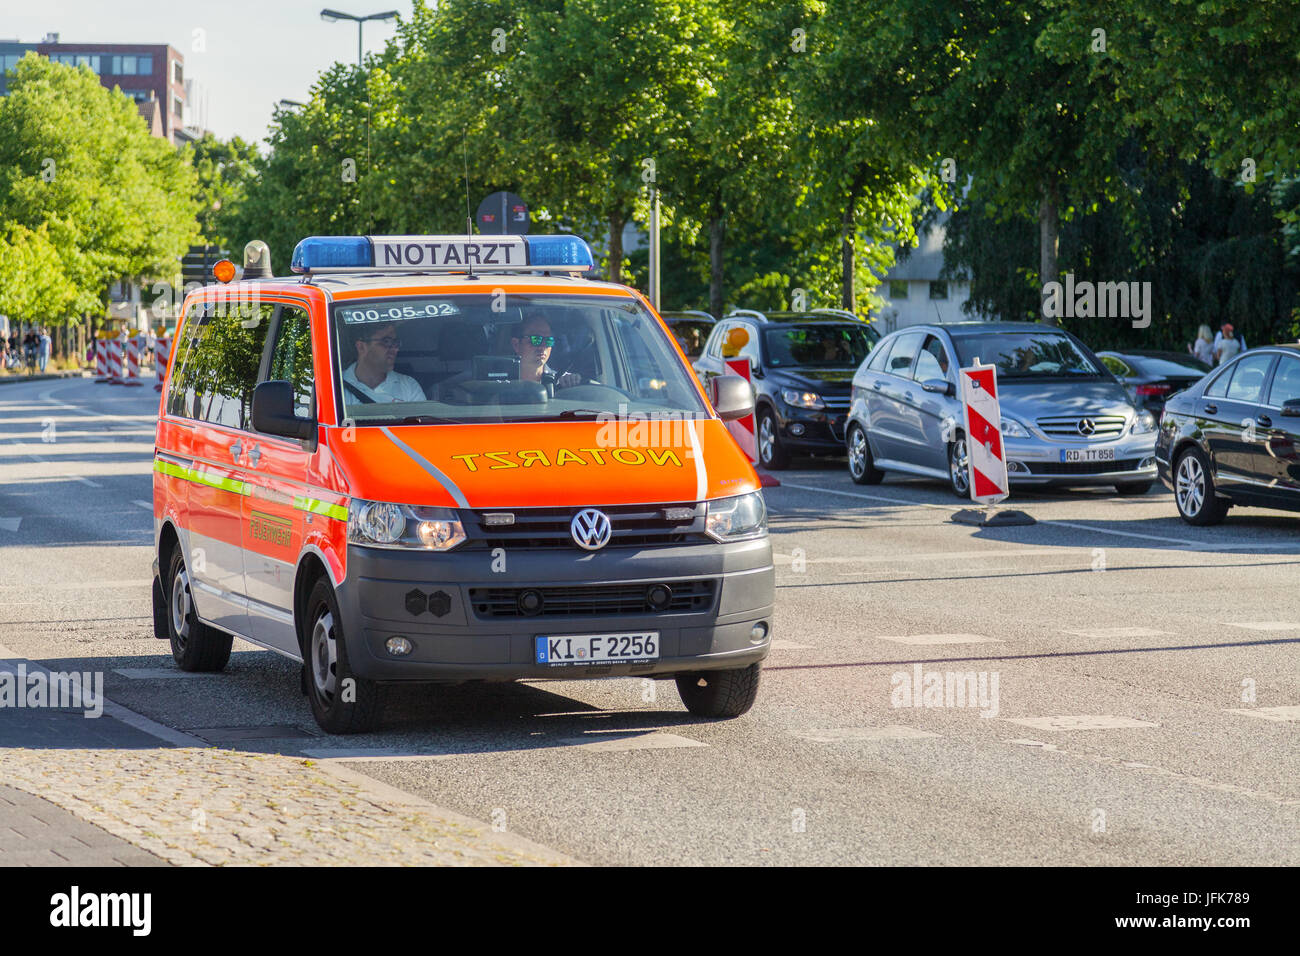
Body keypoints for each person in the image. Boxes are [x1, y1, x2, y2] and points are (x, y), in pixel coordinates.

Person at [341, 323, 425, 403]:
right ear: (361, 347)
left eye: (395, 342)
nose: (395, 349)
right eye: (386, 341)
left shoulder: (408, 386)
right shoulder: (334, 385)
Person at [510, 314, 582, 389]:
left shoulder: (563, 382)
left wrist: (573, 383)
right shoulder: (501, 382)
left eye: (548, 340)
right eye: (536, 339)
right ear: (516, 344)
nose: (543, 346)